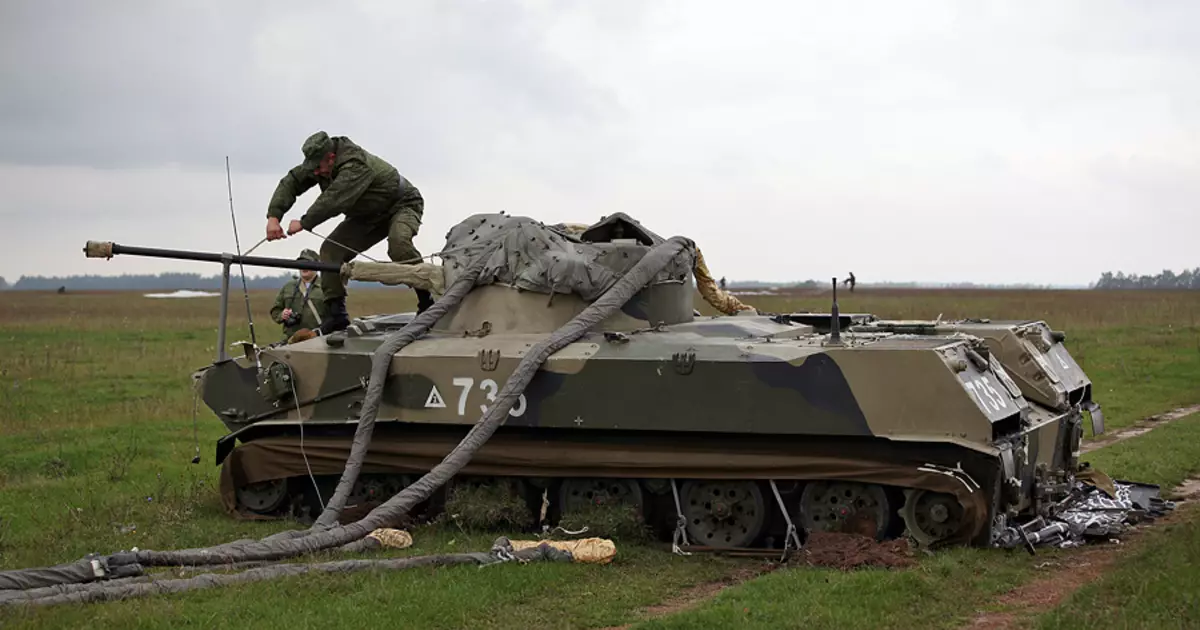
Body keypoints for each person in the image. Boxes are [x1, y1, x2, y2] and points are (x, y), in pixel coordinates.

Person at [264, 131, 434, 334]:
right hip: (366, 215)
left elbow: (335, 200)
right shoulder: (319, 163)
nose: (316, 173)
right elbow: (292, 181)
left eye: (319, 167)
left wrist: (304, 222)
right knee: (330, 252)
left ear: (331, 158)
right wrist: (274, 216)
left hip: (401, 204)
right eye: (313, 168)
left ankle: (428, 302)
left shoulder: (355, 164)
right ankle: (337, 316)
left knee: (399, 245)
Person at [270, 249, 328, 340]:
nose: (303, 266)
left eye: (307, 263)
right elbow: (275, 310)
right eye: (301, 263)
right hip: (292, 340)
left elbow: (335, 317)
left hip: (318, 340)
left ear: (317, 265)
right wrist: (282, 315)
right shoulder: (288, 287)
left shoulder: (326, 287)